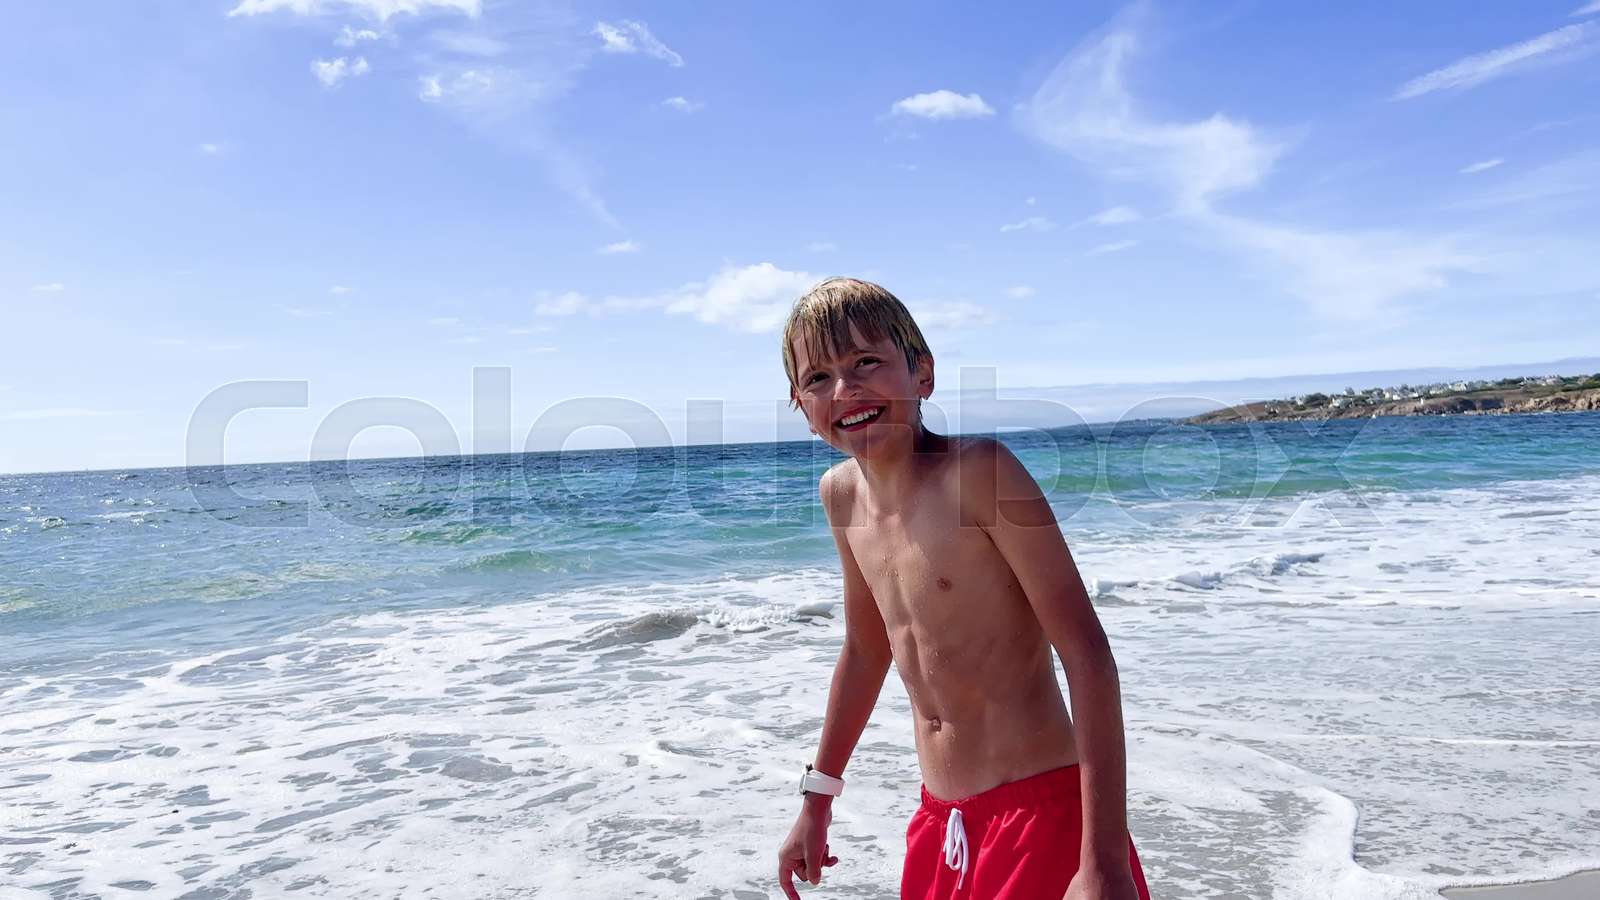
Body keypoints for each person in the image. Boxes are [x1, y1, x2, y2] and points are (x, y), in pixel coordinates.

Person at [774, 278, 1152, 899]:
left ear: (921, 373)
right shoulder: (841, 496)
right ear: (800, 404)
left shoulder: (981, 474)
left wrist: (1104, 859)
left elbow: (1086, 653)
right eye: (819, 378)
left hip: (1043, 816)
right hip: (943, 827)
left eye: (867, 362)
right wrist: (817, 799)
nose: (846, 390)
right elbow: (867, 652)